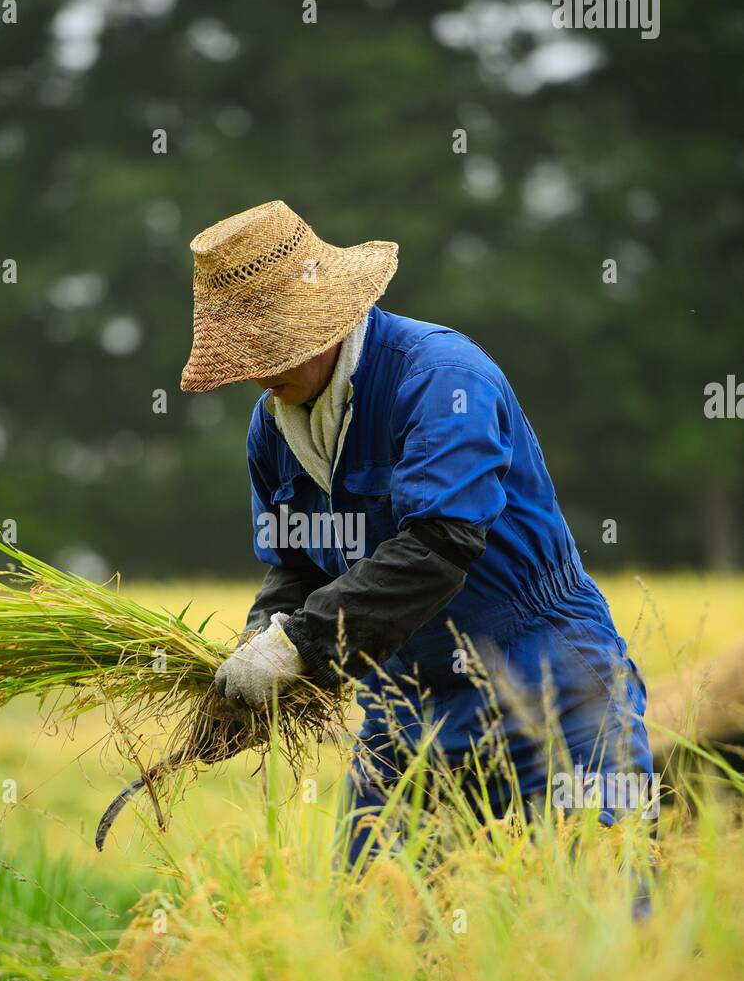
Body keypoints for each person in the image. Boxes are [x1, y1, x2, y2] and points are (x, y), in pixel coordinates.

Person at [180, 199, 655, 866]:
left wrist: (305, 644)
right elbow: (297, 569)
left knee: (601, 900)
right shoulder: (273, 429)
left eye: (277, 348)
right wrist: (261, 644)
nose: (262, 373)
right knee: (384, 933)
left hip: (549, 680)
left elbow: (441, 542)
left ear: (329, 320)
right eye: (247, 357)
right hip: (402, 703)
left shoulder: (440, 378)